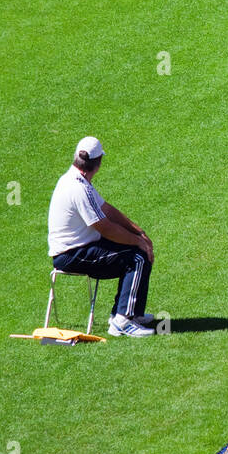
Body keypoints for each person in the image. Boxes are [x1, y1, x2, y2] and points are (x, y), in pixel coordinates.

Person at [47, 136, 158, 338]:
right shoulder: (78, 188)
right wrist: (138, 242)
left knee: (139, 251)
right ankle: (122, 322)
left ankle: (130, 313)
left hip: (79, 247)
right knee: (137, 257)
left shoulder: (76, 181)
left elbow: (107, 209)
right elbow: (105, 227)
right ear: (98, 164)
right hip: (72, 254)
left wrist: (139, 232)